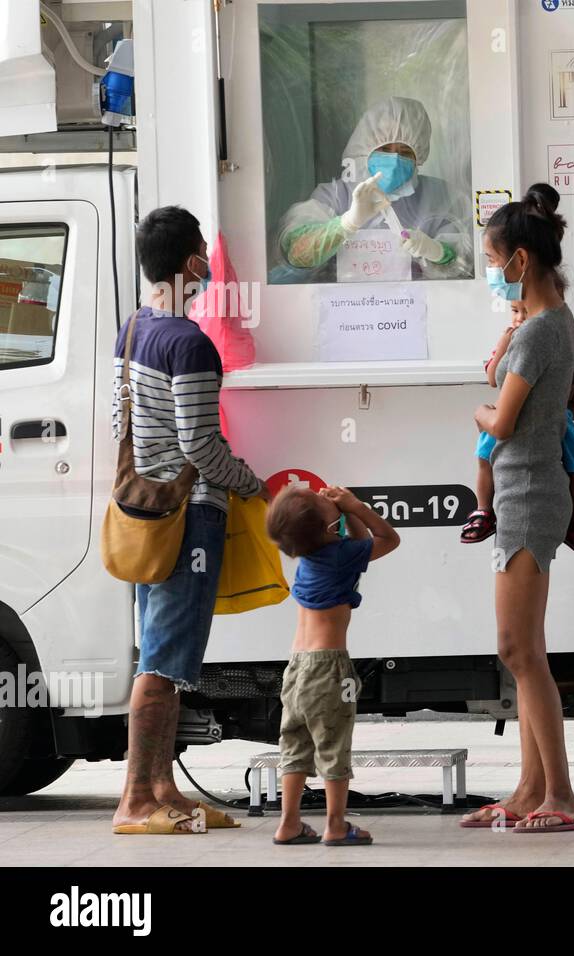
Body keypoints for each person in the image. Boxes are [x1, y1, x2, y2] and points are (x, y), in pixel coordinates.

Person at [110, 207, 267, 835]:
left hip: (146, 513)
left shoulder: (134, 330)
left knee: (161, 654)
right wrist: (253, 485)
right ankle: (134, 802)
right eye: (202, 252)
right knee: (164, 662)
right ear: (192, 263)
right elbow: (201, 447)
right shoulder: (188, 342)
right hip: (187, 516)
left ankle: (161, 789)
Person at [459, 184, 574, 833]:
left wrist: (480, 415)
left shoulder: (543, 331)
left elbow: (505, 421)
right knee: (525, 649)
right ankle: (528, 790)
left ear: (519, 259)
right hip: (526, 492)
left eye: (492, 257)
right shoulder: (548, 322)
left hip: (525, 493)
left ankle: (562, 797)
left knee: (518, 649)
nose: (491, 269)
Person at [265, 484, 400, 846]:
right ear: (328, 529)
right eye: (320, 503)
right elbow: (388, 538)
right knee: (333, 746)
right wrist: (357, 506)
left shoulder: (310, 557)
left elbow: (358, 541)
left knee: (294, 746)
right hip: (328, 667)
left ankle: (289, 823)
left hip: (296, 667)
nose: (326, 498)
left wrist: (346, 513)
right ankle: (336, 825)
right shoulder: (341, 554)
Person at [462, 297, 574, 556]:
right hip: (509, 416)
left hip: (556, 416)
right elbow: (493, 378)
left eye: (526, 312)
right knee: (484, 455)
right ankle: (484, 510)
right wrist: (503, 346)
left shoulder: (562, 336)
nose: (519, 318)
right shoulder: (509, 341)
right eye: (515, 311)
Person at [273, 96, 471, 283]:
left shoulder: (438, 196)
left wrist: (437, 251)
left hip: (416, 307)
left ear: (418, 157)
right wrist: (347, 223)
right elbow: (297, 253)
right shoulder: (336, 195)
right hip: (344, 308)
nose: (394, 160)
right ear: (365, 148)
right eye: (385, 150)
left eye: (404, 152)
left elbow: (466, 262)